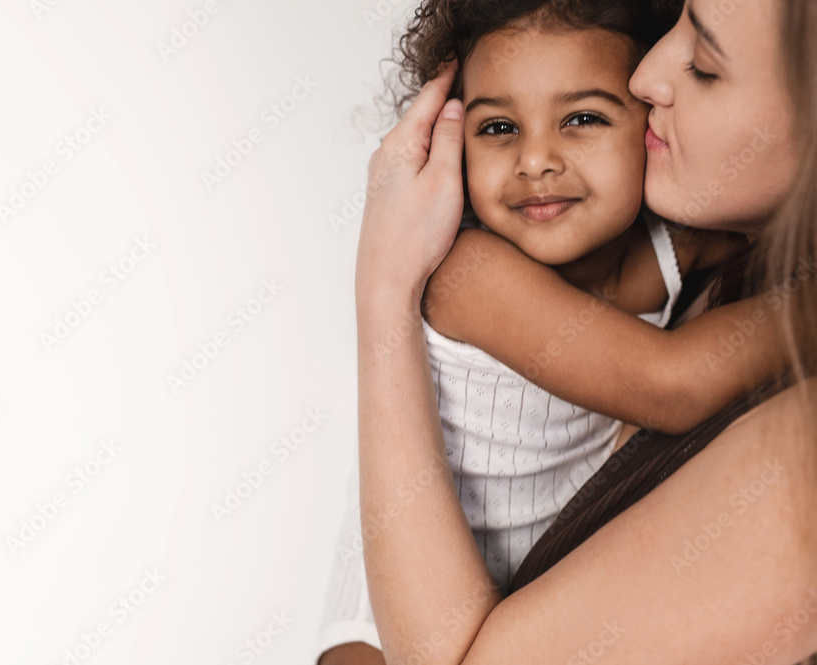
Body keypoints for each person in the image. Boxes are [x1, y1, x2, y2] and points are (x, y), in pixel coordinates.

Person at [327, 0, 817, 661]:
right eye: (498, 126)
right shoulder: (468, 273)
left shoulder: (675, 249)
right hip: (391, 611)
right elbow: (672, 381)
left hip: (510, 597)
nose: (534, 160)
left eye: (582, 118)